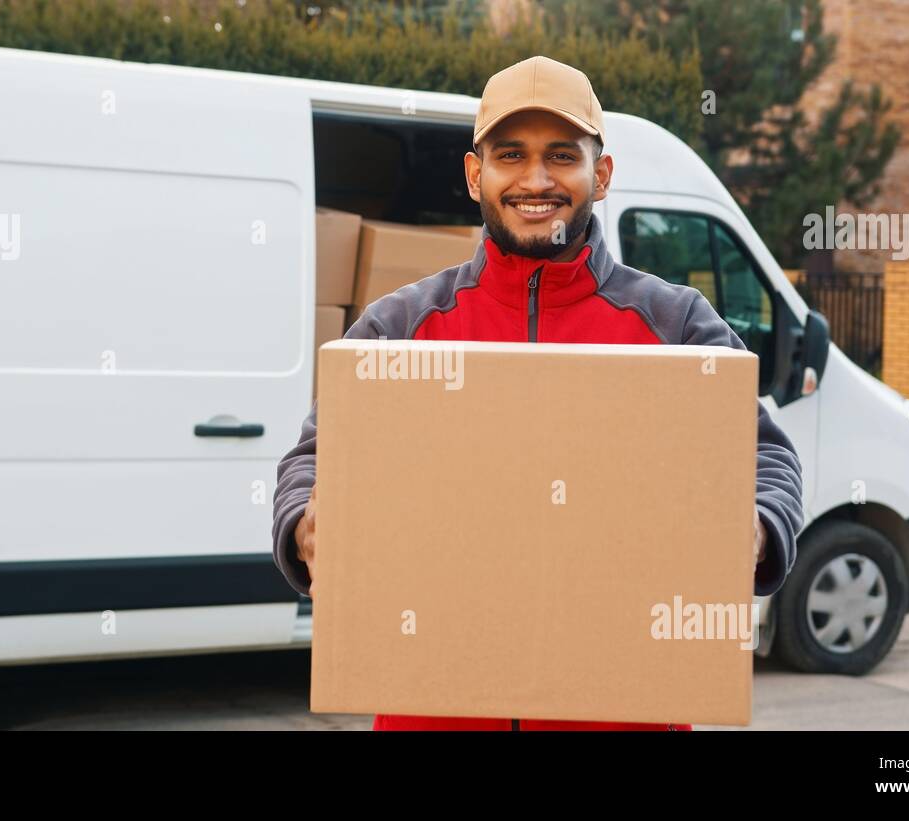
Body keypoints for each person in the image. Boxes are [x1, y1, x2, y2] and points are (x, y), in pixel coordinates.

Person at [272, 55, 805, 731]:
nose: (536, 179)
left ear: (600, 175)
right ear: (475, 175)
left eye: (562, 155)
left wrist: (758, 526)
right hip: (434, 713)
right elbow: (310, 461)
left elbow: (769, 457)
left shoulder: (678, 326)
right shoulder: (400, 326)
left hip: (628, 711)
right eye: (509, 155)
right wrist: (302, 523)